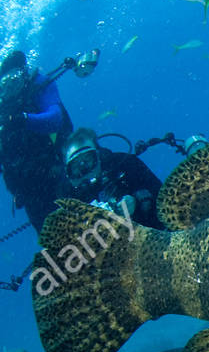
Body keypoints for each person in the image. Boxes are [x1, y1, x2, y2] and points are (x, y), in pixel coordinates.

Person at [0, 49, 73, 229]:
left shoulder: (37, 83)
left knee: (80, 222)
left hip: (57, 170)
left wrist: (23, 119)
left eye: (13, 79)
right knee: (56, 241)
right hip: (28, 188)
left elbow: (55, 120)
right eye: (4, 84)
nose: (10, 87)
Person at [57, 128, 163, 229]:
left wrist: (139, 202)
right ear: (68, 173)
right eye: (76, 167)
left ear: (99, 156)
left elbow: (164, 197)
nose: (84, 170)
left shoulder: (127, 164)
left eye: (88, 160)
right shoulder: (67, 194)